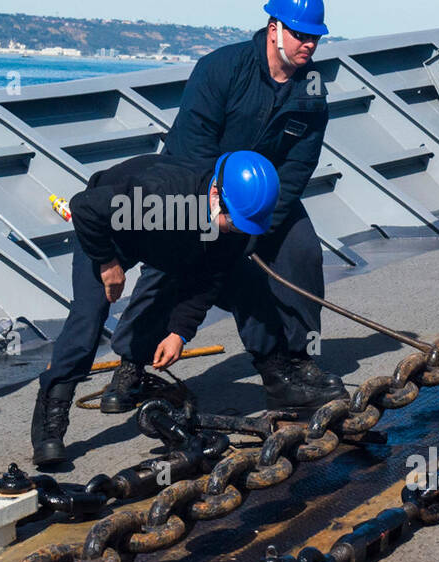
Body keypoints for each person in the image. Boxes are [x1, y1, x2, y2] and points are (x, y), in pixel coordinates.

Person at [97, 0, 346, 416]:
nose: (309, 44)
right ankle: (132, 364)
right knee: (170, 260)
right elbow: (189, 152)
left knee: (301, 250)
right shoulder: (220, 69)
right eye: (300, 34)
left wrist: (259, 221)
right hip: (195, 188)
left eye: (315, 37)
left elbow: (296, 171)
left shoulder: (312, 94)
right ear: (274, 28)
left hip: (264, 200)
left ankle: (291, 364)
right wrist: (216, 216)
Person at [31, 150, 281, 466]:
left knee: (166, 288)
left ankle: (129, 370)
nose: (236, 231)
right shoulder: (161, 196)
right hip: (108, 231)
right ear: (215, 194)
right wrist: (109, 264)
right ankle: (51, 417)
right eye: (232, 222)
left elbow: (207, 280)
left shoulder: (233, 225)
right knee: (89, 315)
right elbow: (83, 208)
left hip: (166, 239)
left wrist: (180, 332)